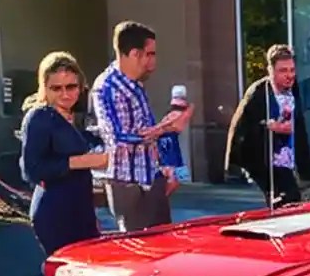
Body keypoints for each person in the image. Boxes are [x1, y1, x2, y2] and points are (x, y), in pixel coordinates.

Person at [89, 21, 189, 233]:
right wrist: (164, 128)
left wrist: (169, 167)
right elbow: (116, 137)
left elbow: (147, 128)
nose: (153, 61)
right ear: (135, 54)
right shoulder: (107, 87)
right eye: (150, 54)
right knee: (137, 243)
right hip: (127, 182)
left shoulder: (136, 84)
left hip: (152, 176)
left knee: (165, 240)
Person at [18, 52, 108, 255]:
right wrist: (79, 162)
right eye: (56, 88)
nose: (65, 94)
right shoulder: (39, 117)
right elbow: (31, 170)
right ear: (44, 88)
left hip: (81, 210)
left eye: (71, 87)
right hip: (55, 213)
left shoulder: (76, 115)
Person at [225, 44, 310, 208]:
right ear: (270, 70)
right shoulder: (259, 92)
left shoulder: (294, 91)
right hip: (263, 163)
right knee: (286, 200)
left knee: (292, 201)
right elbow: (241, 128)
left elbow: (300, 129)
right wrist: (269, 127)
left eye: (292, 70)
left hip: (287, 162)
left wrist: (307, 171)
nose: (289, 75)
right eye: (283, 71)